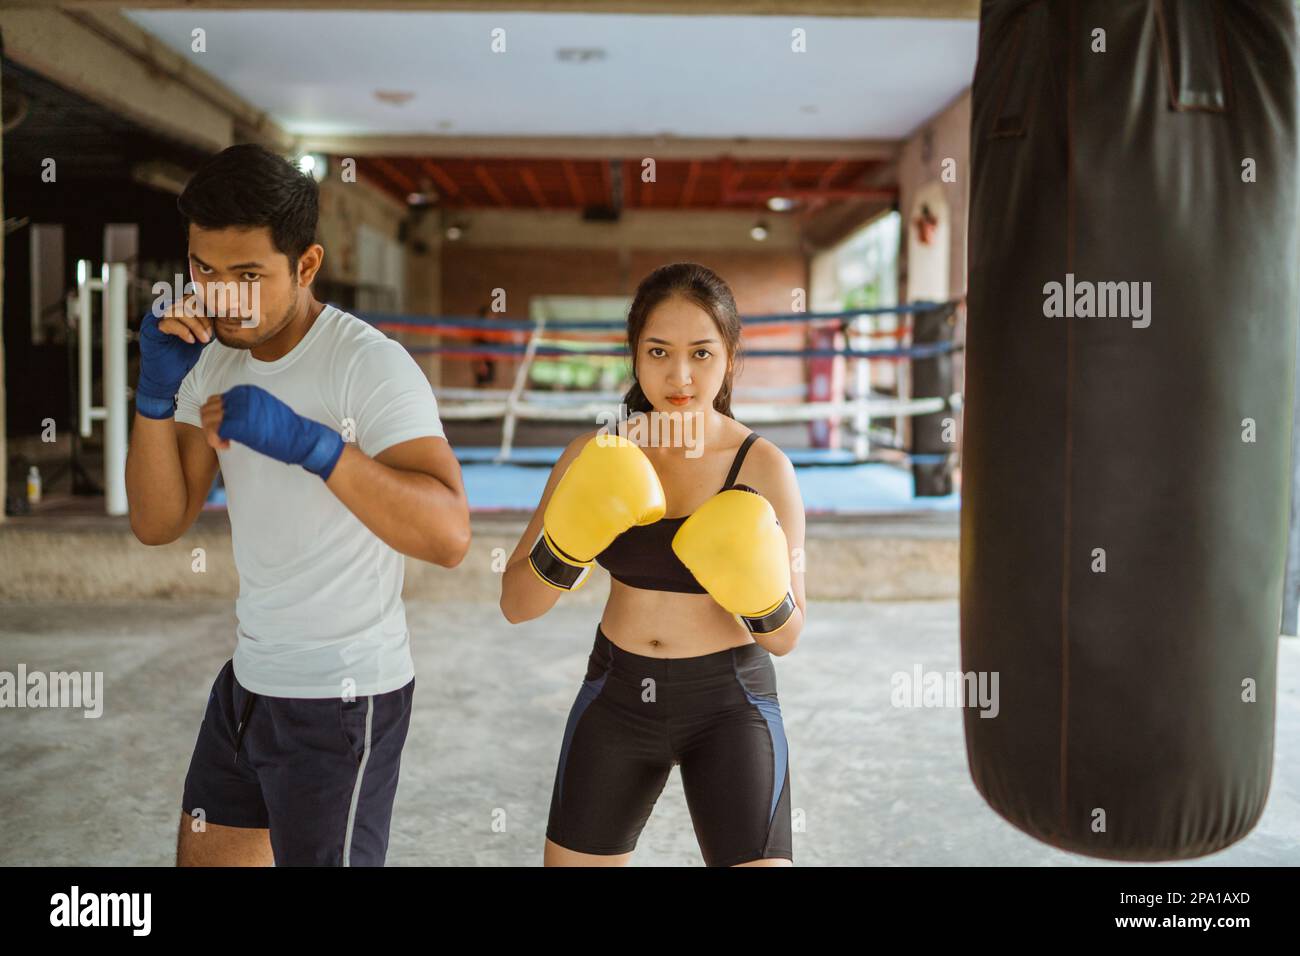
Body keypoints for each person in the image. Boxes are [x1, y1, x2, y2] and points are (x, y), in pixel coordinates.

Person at [125, 143, 471, 866]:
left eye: (249, 275)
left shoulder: (367, 364)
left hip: (346, 698)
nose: (224, 297)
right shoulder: (209, 354)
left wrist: (315, 449)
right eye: (205, 271)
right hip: (249, 683)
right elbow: (160, 523)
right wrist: (154, 400)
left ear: (306, 266)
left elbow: (448, 535)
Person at [499, 262, 806, 867]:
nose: (681, 375)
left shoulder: (763, 466)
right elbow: (515, 604)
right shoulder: (594, 454)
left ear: (730, 355)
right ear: (634, 354)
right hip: (616, 696)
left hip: (729, 703)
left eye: (701, 352)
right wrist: (564, 547)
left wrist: (758, 590)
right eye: (659, 351)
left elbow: (788, 638)